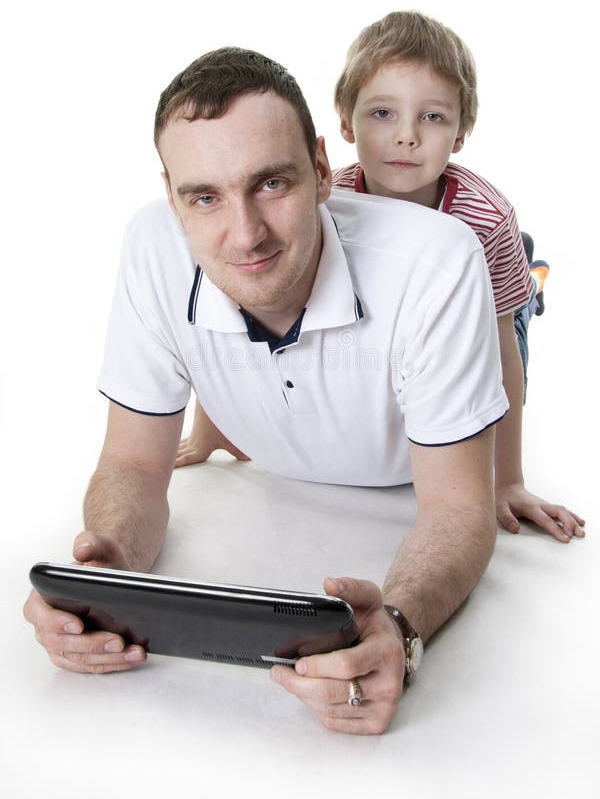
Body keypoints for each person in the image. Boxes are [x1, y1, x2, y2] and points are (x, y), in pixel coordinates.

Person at [23, 47, 527, 735]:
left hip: (411, 455)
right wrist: (109, 571)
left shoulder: (439, 260)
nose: (246, 234)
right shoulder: (151, 245)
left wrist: (399, 627)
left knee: (510, 320)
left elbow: (458, 504)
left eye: (270, 183)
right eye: (204, 197)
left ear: (321, 169)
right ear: (172, 197)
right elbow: (134, 463)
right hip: (279, 441)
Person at [176, 12, 585, 543]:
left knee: (502, 329)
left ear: (461, 132)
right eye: (383, 113)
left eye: (432, 117)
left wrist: (505, 481)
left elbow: (503, 356)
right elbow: (243, 308)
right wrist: (212, 426)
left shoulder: (485, 221)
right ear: (347, 125)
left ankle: (530, 280)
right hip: (404, 305)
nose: (406, 137)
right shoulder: (328, 201)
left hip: (492, 308)